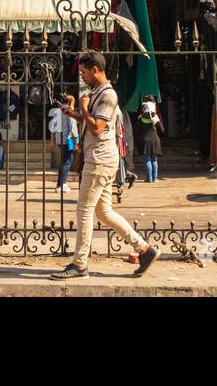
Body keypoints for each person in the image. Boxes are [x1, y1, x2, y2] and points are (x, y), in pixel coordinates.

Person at [50, 51, 158, 280]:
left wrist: (84, 107)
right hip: (101, 158)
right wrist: (76, 114)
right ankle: (145, 250)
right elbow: (95, 123)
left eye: (84, 72)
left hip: (99, 160)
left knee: (84, 210)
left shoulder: (107, 95)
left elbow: (98, 128)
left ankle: (79, 264)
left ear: (96, 70)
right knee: (104, 212)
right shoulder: (97, 93)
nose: (82, 77)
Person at [49, 99, 78, 192]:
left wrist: (52, 140)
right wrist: (76, 143)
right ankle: (62, 184)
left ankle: (59, 184)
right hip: (68, 140)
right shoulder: (69, 111)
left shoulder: (57, 111)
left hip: (59, 139)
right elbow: (73, 128)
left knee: (63, 161)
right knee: (67, 161)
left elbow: (53, 126)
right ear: (71, 102)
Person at [138, 96, 164, 182]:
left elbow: (135, 129)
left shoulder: (141, 118)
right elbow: (162, 130)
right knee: (154, 160)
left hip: (145, 141)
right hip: (155, 140)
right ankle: (155, 178)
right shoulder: (155, 117)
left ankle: (149, 178)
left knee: (147, 159)